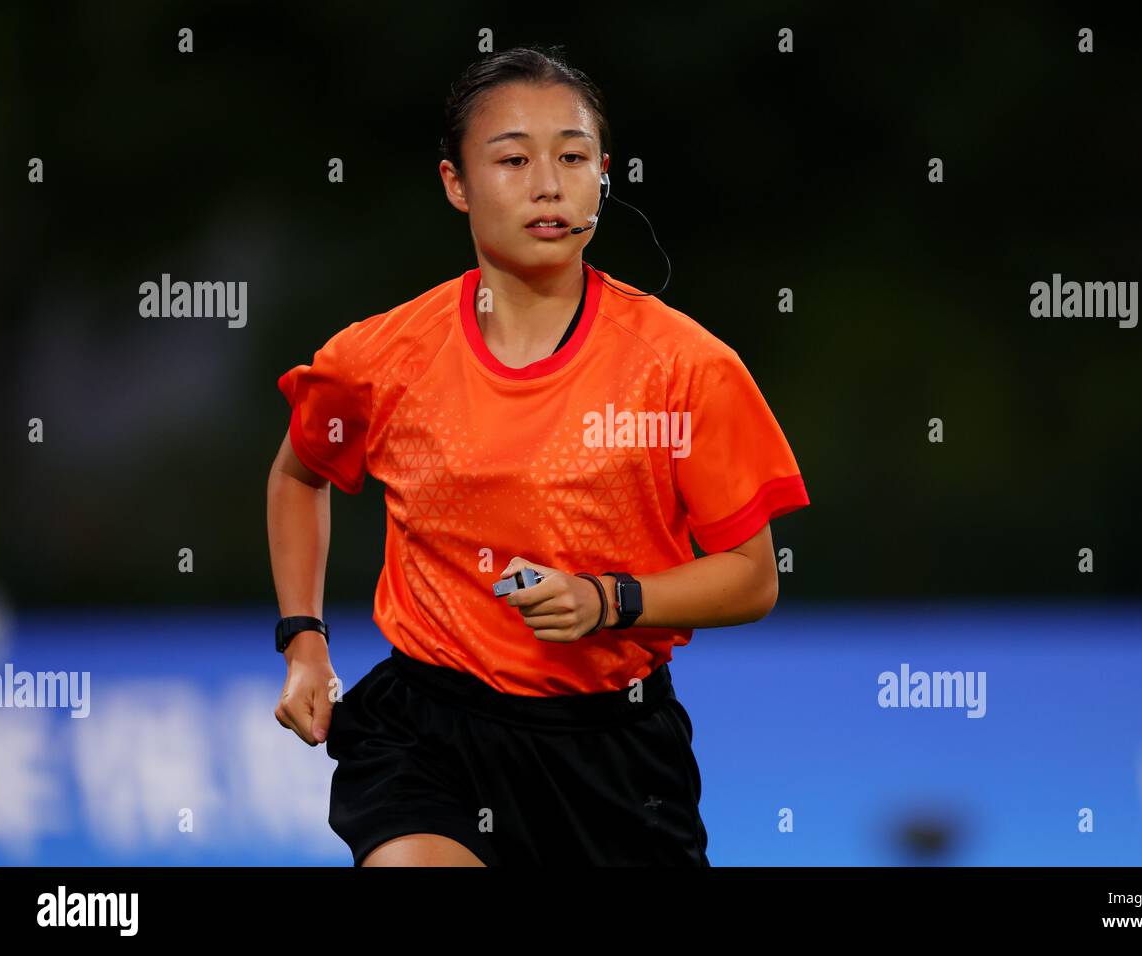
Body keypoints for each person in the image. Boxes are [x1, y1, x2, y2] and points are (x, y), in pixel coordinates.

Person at [266, 43, 811, 866]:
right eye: (514, 159)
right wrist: (304, 638)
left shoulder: (687, 367)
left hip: (617, 760)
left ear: (604, 175)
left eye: (573, 157)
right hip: (427, 737)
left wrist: (609, 601)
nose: (548, 185)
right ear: (456, 183)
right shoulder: (378, 358)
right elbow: (298, 474)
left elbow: (753, 576)